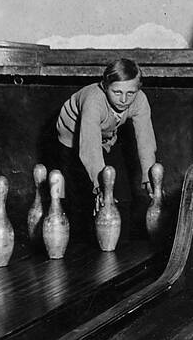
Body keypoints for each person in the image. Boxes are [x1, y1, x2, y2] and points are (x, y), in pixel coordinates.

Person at [53, 58, 157, 233]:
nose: (124, 99)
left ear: (138, 89)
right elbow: (89, 147)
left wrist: (150, 176)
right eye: (117, 92)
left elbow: (146, 138)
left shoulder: (140, 100)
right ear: (104, 86)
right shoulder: (94, 100)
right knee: (78, 200)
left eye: (130, 93)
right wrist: (100, 186)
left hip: (106, 138)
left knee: (122, 194)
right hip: (71, 140)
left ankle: (121, 243)